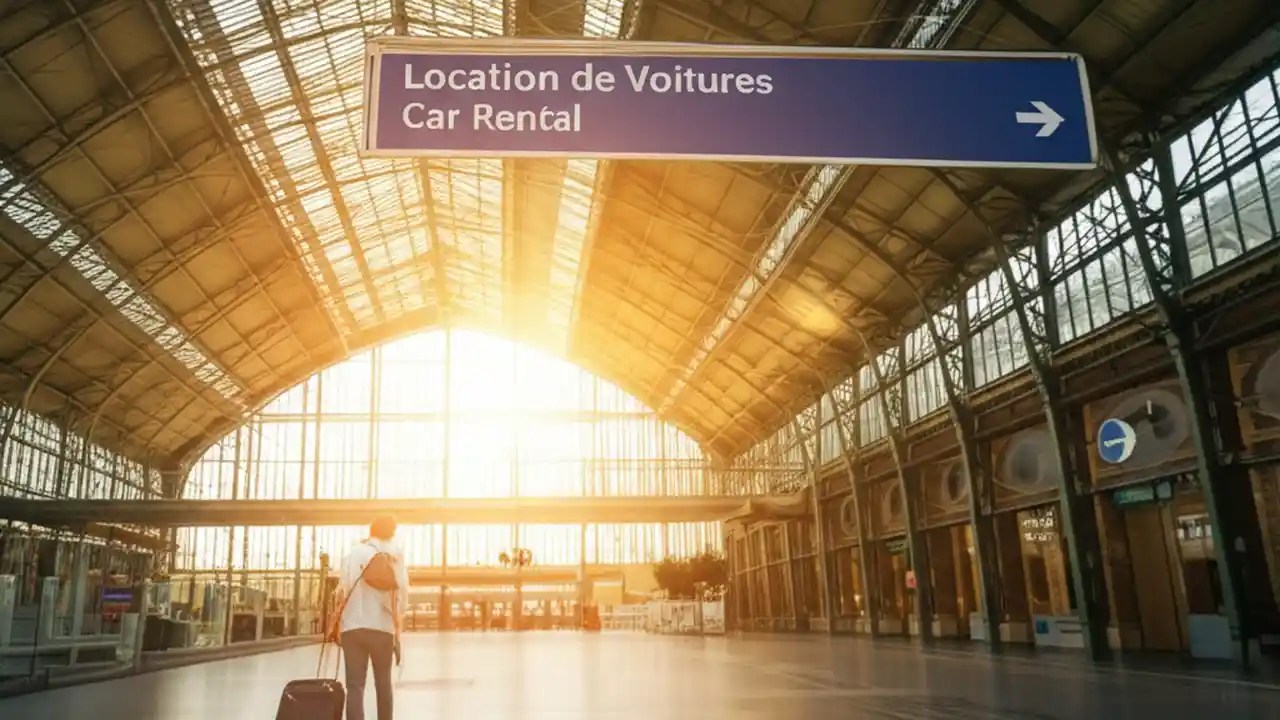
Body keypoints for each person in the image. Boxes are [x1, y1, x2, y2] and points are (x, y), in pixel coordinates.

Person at [335, 515, 409, 720]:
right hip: (381, 627)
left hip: (351, 627)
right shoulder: (394, 554)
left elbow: (343, 588)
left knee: (355, 686)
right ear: (392, 532)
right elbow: (401, 592)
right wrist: (397, 628)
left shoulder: (353, 553)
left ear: (371, 531)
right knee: (384, 684)